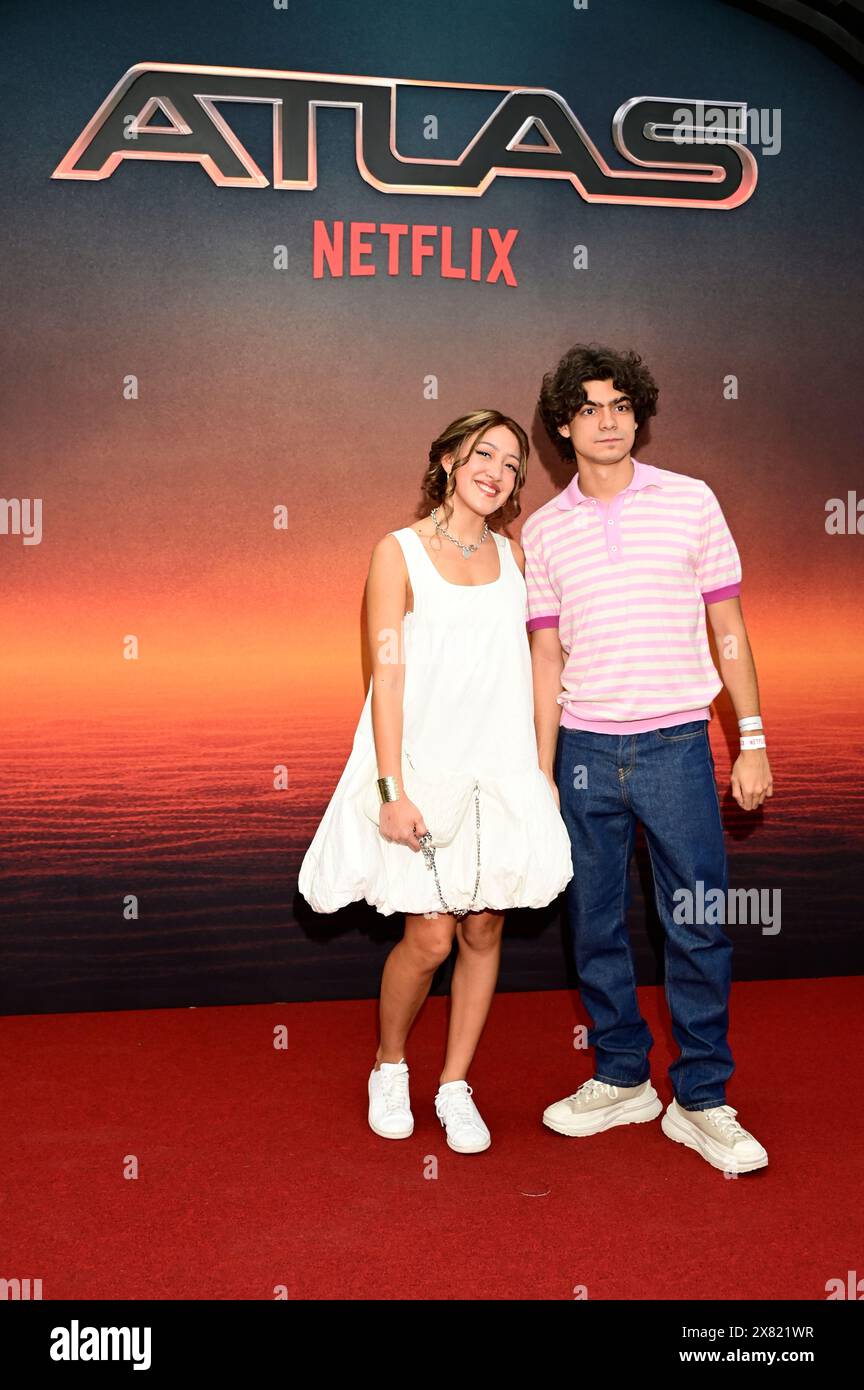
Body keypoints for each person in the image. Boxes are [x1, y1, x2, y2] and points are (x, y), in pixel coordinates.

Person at [522, 344, 774, 1174]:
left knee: (698, 924)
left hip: (675, 745)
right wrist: (539, 773)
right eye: (590, 408)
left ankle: (702, 1098)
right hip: (585, 751)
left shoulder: (692, 501)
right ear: (564, 425)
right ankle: (623, 1078)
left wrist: (752, 739)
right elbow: (548, 659)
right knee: (593, 926)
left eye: (622, 405)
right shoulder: (544, 529)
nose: (608, 420)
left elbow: (728, 629)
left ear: (639, 415)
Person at [298, 410, 573, 1154]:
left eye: (514, 464)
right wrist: (391, 790)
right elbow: (385, 674)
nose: (498, 470)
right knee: (429, 936)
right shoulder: (400, 552)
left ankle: (454, 1085)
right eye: (484, 453)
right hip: (425, 770)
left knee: (485, 927)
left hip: (503, 771)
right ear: (450, 459)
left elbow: (546, 667)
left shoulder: (518, 557)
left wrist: (541, 776)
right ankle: (390, 1065)